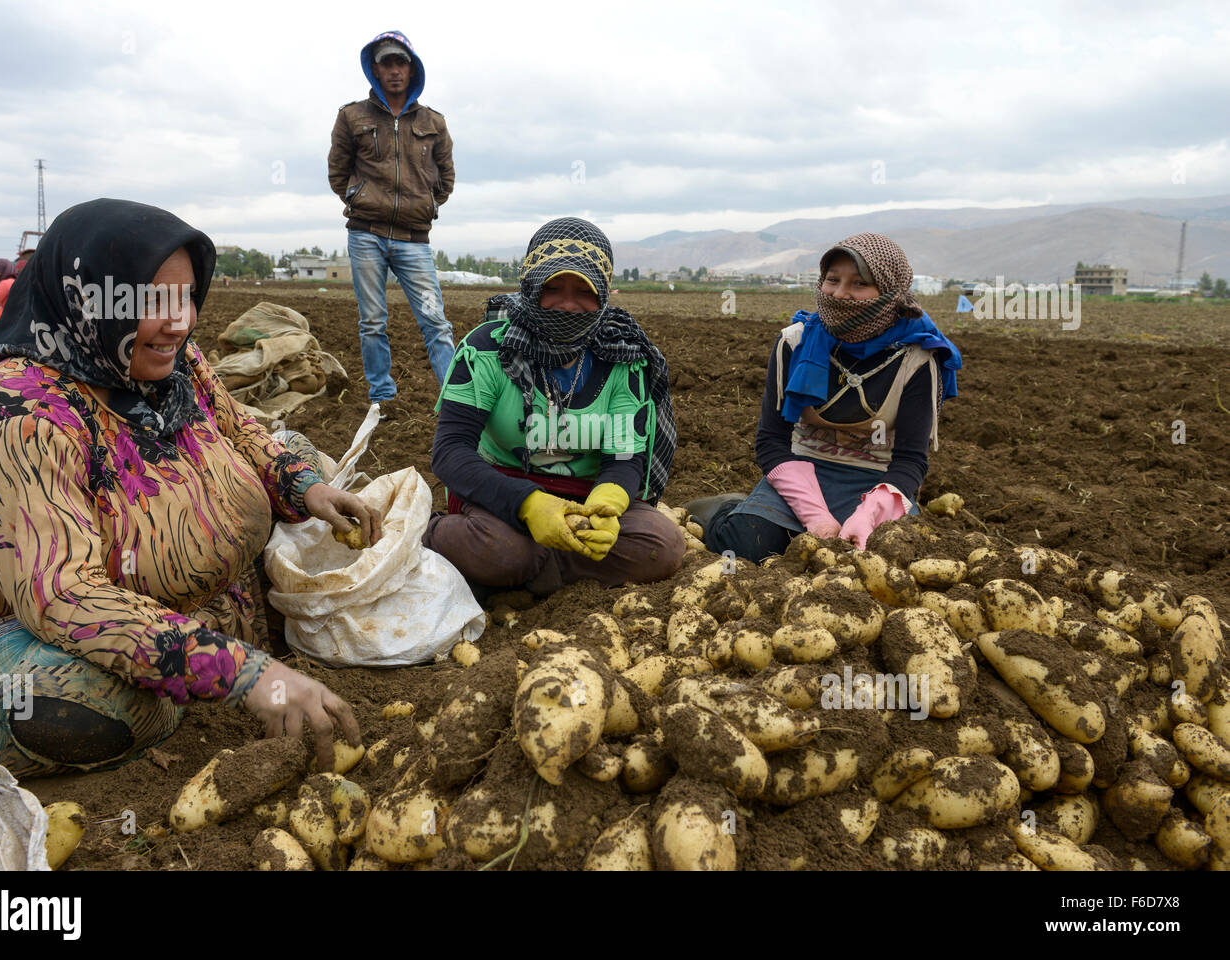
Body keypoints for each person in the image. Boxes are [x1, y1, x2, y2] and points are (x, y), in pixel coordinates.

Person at [0, 198, 380, 777]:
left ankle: (195, 653)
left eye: (188, 296)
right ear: (87, 300)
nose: (181, 321)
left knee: (299, 452)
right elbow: (64, 596)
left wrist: (306, 490)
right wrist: (243, 672)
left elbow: (239, 428)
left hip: (193, 602)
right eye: (151, 301)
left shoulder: (171, 360)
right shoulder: (18, 419)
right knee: (77, 705)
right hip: (39, 628)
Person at [424, 217, 684, 595]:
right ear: (530, 286)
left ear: (604, 295)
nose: (567, 304)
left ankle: (523, 569)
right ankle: (435, 536)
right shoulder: (486, 349)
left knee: (662, 546)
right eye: (553, 287)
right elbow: (450, 453)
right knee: (504, 549)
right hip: (500, 493)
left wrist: (607, 502)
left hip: (583, 496)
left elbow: (625, 458)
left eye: (584, 290)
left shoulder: (624, 360)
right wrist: (528, 505)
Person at [689, 233, 962, 564]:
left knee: (887, 559)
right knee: (750, 542)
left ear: (890, 293)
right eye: (832, 280)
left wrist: (869, 512)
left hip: (877, 479)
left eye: (858, 284)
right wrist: (814, 513)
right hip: (802, 472)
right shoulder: (794, 343)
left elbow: (910, 461)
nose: (840, 294)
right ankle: (725, 509)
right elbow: (771, 441)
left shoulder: (918, 360)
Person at [328, 30, 456, 419]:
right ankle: (382, 396)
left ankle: (455, 397)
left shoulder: (433, 121)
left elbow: (446, 177)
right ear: (376, 69)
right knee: (373, 322)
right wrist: (356, 197)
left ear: (411, 68)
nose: (395, 71)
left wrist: (428, 204)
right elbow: (337, 171)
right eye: (387, 63)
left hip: (414, 241)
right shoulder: (352, 116)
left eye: (401, 63)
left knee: (435, 320)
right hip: (366, 236)